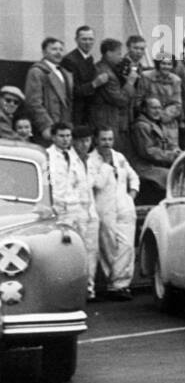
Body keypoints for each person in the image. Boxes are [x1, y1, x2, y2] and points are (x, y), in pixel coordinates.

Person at [46, 122, 99, 300]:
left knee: (88, 249)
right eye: (61, 136)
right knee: (64, 251)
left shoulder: (75, 156)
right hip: (61, 210)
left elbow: (84, 185)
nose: (65, 139)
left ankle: (87, 289)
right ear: (53, 137)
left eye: (68, 136)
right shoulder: (47, 156)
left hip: (81, 208)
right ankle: (63, 291)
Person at [87, 127, 140, 300]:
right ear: (96, 140)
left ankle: (121, 284)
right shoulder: (91, 160)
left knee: (126, 245)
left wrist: (131, 195)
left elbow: (133, 177)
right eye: (103, 140)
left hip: (124, 206)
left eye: (110, 139)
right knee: (109, 246)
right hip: (105, 207)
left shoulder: (120, 157)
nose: (107, 143)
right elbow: (97, 184)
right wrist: (106, 166)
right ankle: (114, 284)